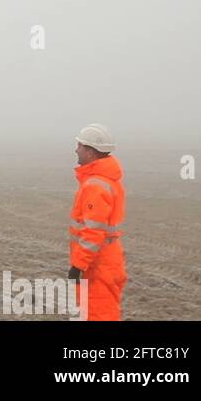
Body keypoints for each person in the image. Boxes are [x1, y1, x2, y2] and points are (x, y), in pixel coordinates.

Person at [68, 124, 127, 320]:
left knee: (98, 314)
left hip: (97, 265)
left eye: (80, 146)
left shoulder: (95, 186)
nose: (76, 149)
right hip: (103, 262)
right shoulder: (104, 181)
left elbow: (94, 233)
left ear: (91, 152)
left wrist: (78, 265)